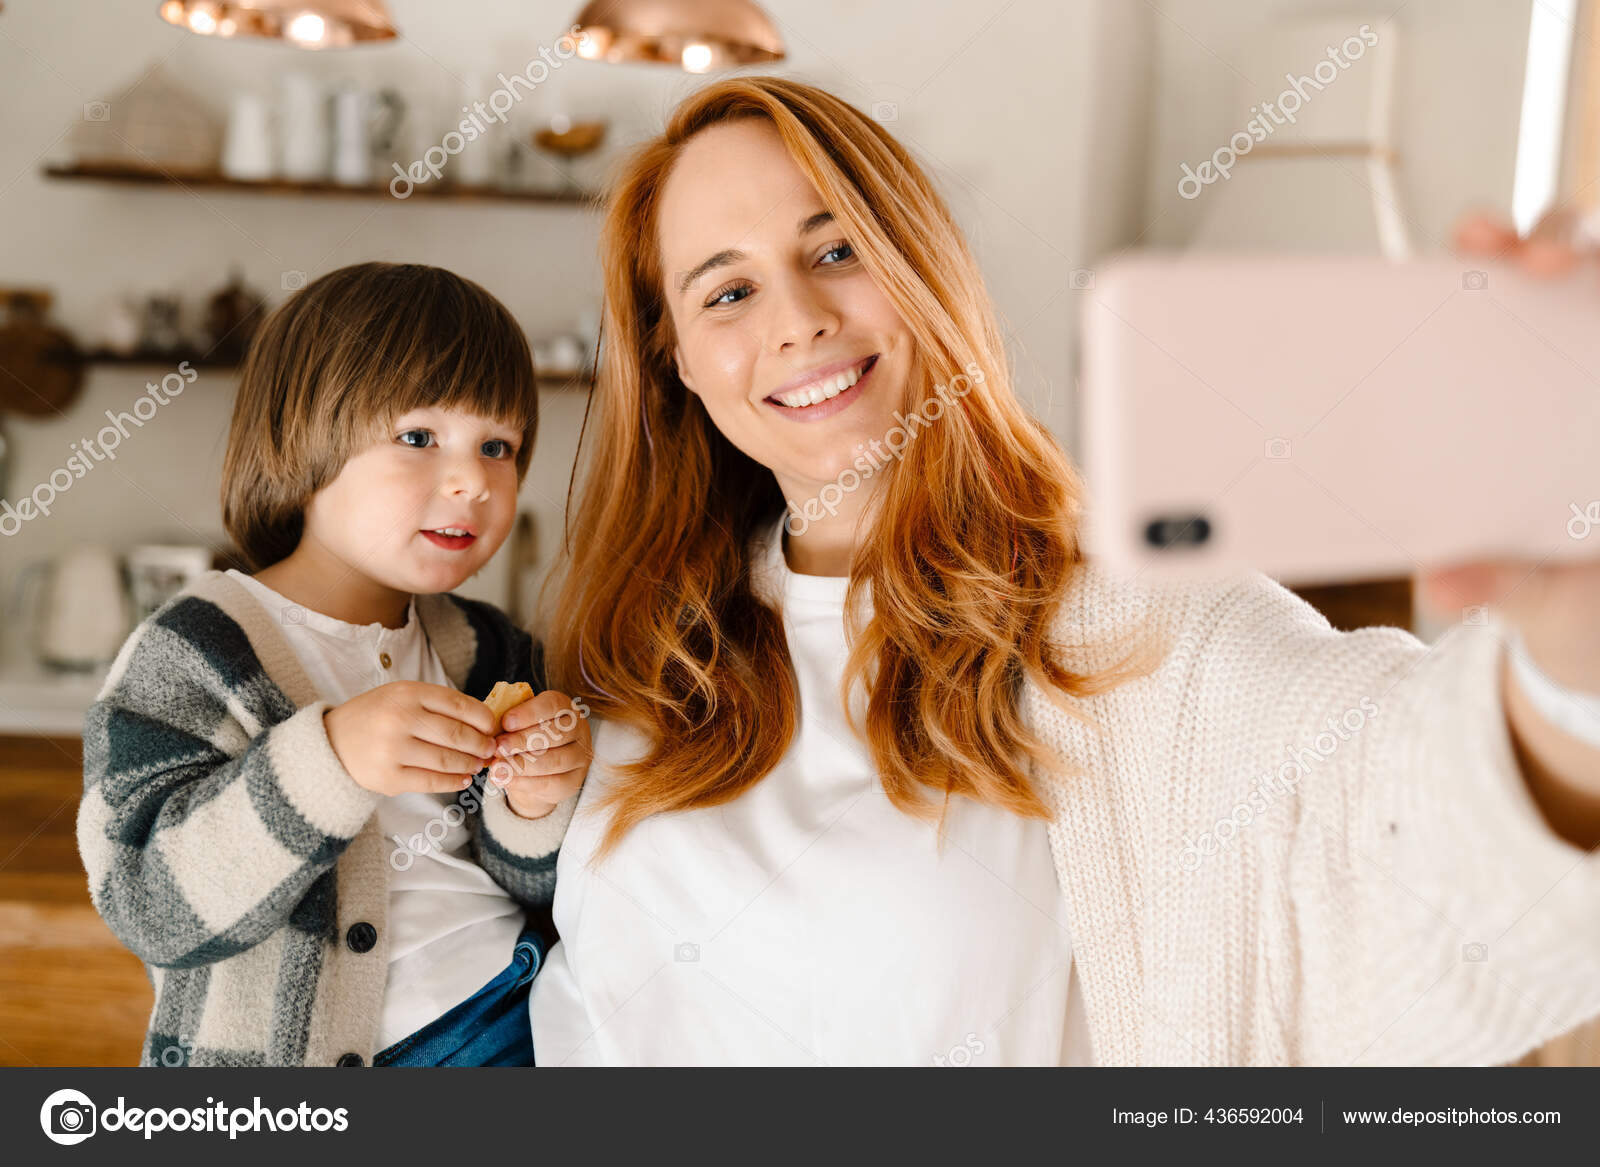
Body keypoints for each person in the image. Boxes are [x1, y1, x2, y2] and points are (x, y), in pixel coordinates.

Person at [527, 77, 1600, 1066]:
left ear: (922, 268)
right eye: (726, 293)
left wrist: (1567, 655)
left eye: (839, 250)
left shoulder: (1127, 625)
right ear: (673, 357)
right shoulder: (650, 648)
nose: (798, 319)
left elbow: (1399, 811)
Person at [78, 263, 590, 1067]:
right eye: (419, 437)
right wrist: (333, 759)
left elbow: (537, 886)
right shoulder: (197, 648)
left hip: (520, 1013)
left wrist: (534, 805)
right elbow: (151, 907)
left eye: (499, 446)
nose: (473, 482)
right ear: (302, 438)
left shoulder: (491, 648)